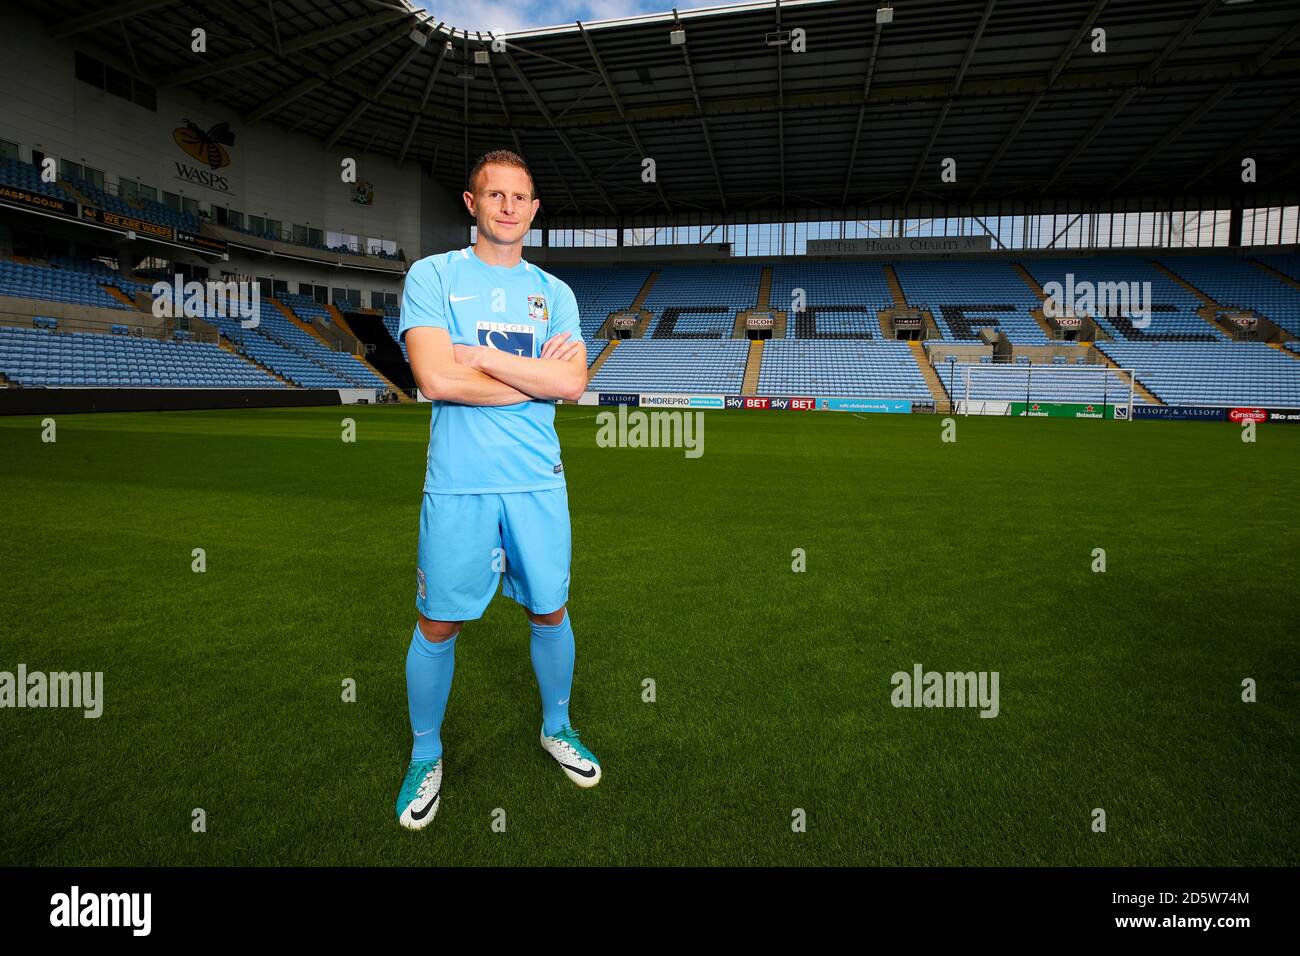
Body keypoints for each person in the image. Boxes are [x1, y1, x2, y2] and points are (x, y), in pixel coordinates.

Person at [394, 149, 599, 830]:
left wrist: (478, 356)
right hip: (459, 487)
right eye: (495, 194)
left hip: (538, 483)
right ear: (471, 203)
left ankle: (557, 727)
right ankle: (426, 754)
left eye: (520, 196)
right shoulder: (432, 276)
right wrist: (529, 379)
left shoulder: (556, 293)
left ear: (534, 210)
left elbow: (571, 385)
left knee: (551, 610)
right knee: (438, 622)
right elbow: (435, 380)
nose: (508, 206)